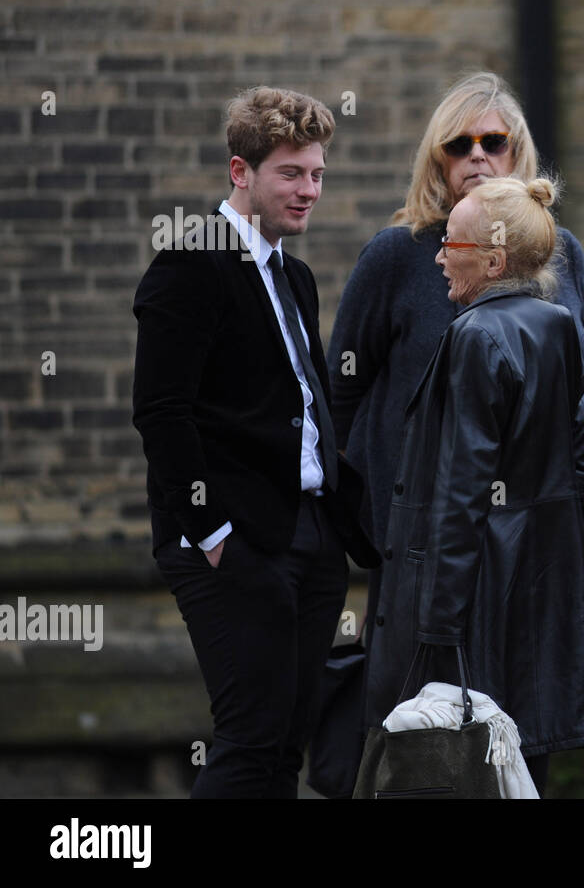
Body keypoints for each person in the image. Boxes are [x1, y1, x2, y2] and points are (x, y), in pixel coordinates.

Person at [132, 86, 380, 798]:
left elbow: (301, 402)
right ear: (240, 172)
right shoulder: (191, 263)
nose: (309, 191)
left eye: (318, 174)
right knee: (247, 742)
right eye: (291, 174)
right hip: (231, 540)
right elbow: (160, 411)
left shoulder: (294, 276)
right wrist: (211, 532)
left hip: (307, 537)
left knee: (286, 748)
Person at [325, 71, 584, 691]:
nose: (477, 155)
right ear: (436, 159)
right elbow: (341, 393)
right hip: (418, 536)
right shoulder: (398, 254)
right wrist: (368, 524)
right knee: (426, 733)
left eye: (493, 141)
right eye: (458, 144)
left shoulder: (563, 254)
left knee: (519, 730)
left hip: (529, 537)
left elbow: (572, 394)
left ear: (517, 152)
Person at [363, 176, 584, 797]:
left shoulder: (474, 336)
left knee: (455, 769)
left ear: (492, 260)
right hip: (538, 595)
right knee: (517, 764)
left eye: (452, 243)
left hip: (472, 606)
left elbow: (460, 495)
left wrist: (437, 626)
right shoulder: (561, 329)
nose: (440, 254)